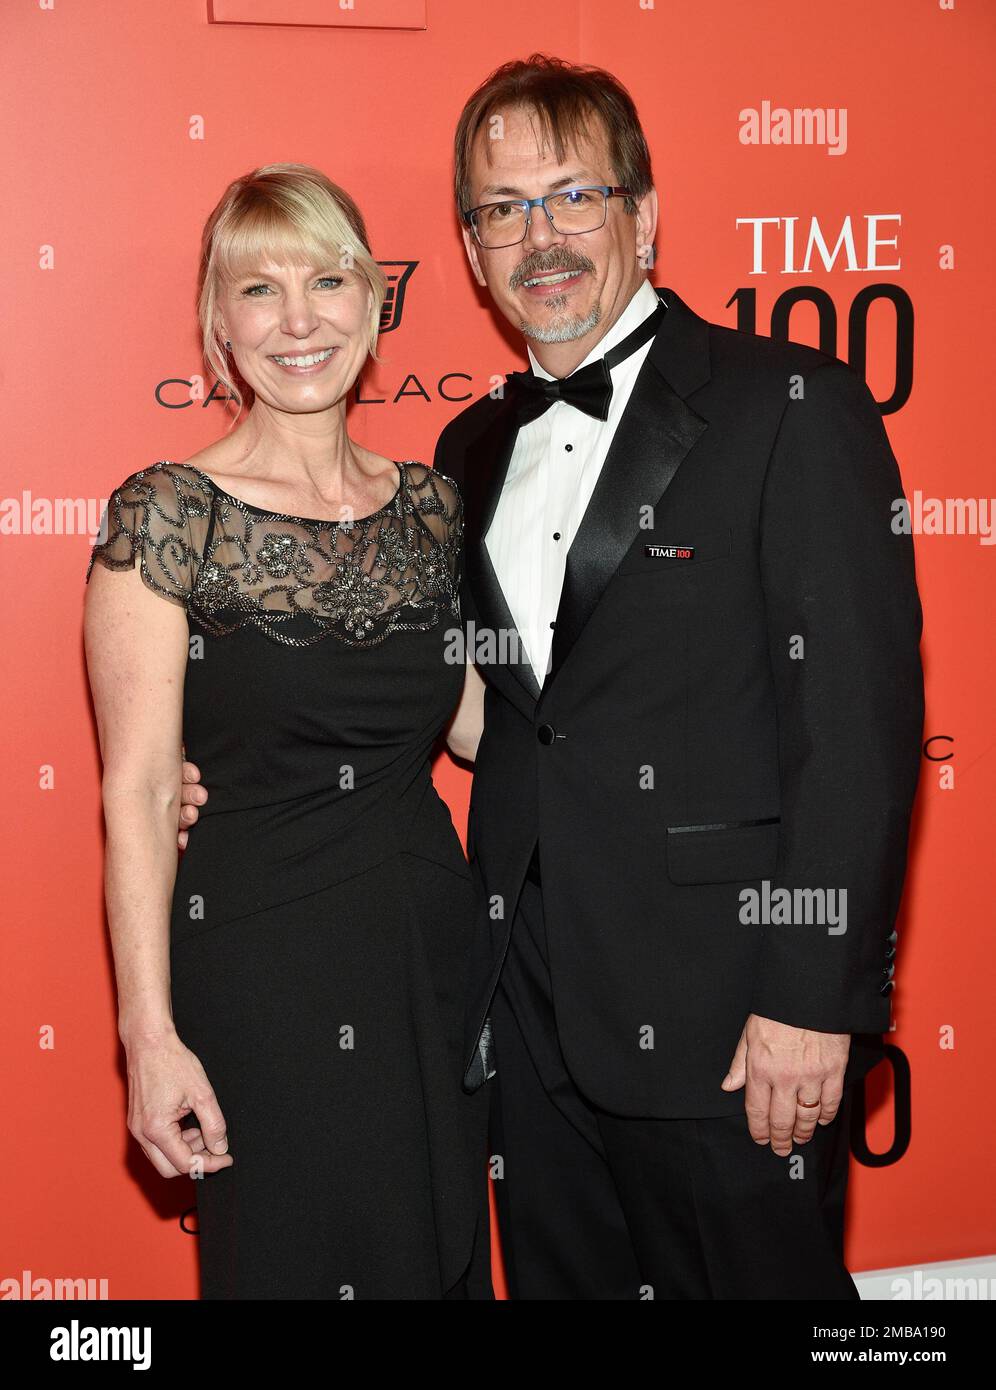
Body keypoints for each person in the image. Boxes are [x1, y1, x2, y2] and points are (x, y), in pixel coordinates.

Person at [181, 57, 925, 1300]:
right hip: (519, 1024)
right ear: (469, 251)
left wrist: (811, 999)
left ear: (644, 213)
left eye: (575, 195)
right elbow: (460, 705)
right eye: (503, 208)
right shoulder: (468, 453)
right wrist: (223, 773)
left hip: (730, 1025)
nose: (542, 237)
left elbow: (856, 727)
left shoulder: (789, 403)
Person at [84, 162, 492, 1300]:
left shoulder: (433, 508)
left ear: (374, 303)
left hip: (431, 957)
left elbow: (475, 729)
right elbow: (139, 791)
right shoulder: (165, 515)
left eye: (327, 279)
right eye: (258, 291)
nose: (299, 318)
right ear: (218, 324)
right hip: (263, 966)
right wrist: (148, 1036)